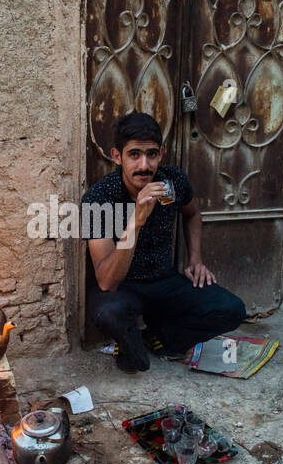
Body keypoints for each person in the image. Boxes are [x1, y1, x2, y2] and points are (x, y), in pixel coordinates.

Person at [84, 111, 246, 373]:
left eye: (151, 154)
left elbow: (192, 214)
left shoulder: (173, 181)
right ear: (117, 156)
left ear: (161, 153)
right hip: (122, 287)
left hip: (164, 280)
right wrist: (136, 220)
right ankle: (129, 347)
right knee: (108, 313)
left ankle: (160, 338)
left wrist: (195, 259)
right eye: (134, 154)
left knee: (232, 309)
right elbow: (106, 280)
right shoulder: (99, 198)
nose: (144, 165)